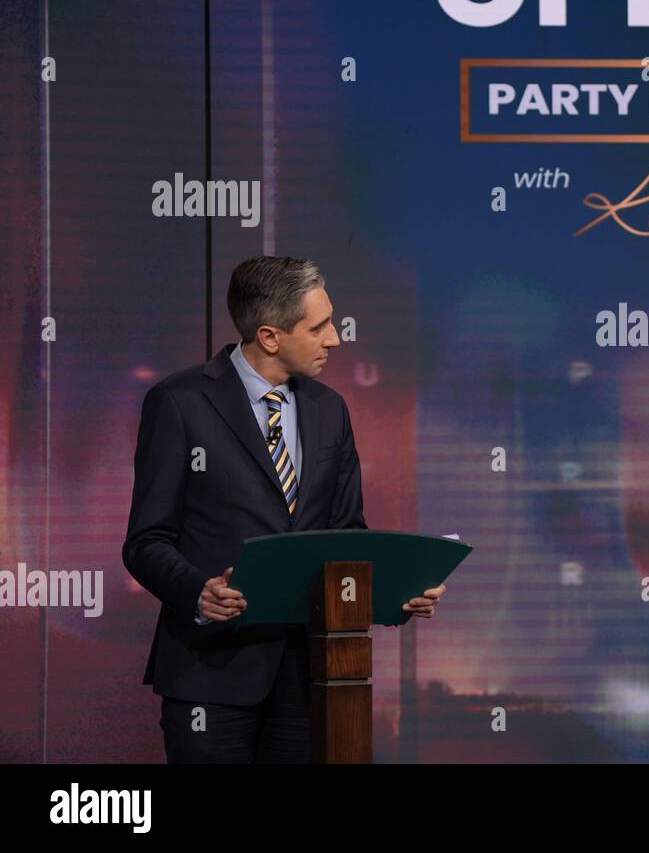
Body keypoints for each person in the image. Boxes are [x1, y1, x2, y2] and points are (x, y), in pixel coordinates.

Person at [123, 255, 447, 763]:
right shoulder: (179, 403)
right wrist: (198, 592)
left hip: (312, 677)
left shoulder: (329, 408)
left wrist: (399, 593)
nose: (335, 338)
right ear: (270, 336)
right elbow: (146, 541)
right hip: (211, 677)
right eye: (318, 327)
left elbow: (345, 537)